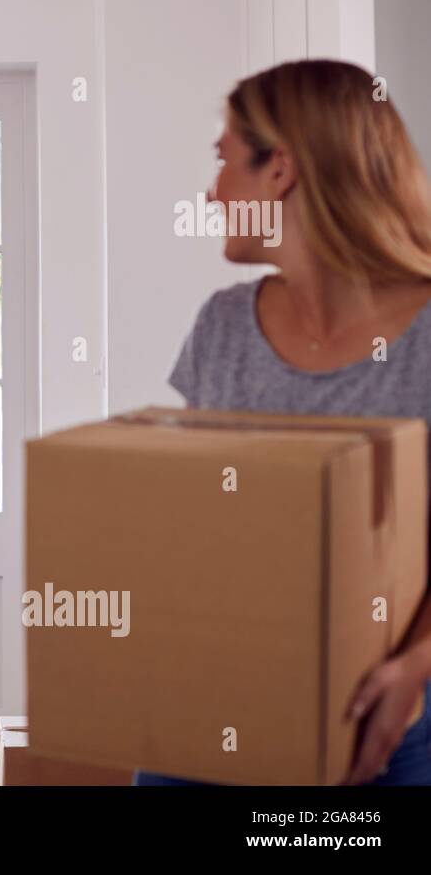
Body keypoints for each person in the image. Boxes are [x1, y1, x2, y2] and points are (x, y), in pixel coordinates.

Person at [135, 60, 431, 786]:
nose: (211, 194)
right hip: (213, 700)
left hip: (388, 716)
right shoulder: (225, 325)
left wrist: (415, 669)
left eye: (224, 163)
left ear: (280, 172)